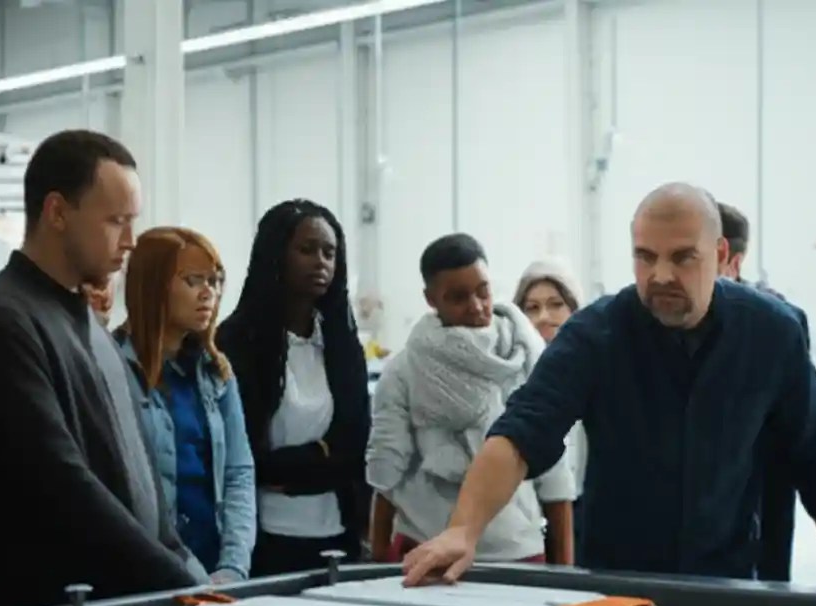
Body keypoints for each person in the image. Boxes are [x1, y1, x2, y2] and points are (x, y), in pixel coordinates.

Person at [401, 182, 816, 591]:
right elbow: (521, 433)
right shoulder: (595, 335)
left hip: (732, 577)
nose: (661, 275)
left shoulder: (771, 334)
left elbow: (812, 449)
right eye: (645, 257)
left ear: (719, 255)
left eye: (682, 257)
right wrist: (464, 530)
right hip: (619, 581)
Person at [0, 130, 208, 606]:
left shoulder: (87, 324)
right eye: (116, 221)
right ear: (58, 212)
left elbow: (141, 474)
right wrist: (178, 583)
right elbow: (61, 486)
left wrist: (184, 565)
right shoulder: (1, 322)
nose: (130, 242)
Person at [368, 235, 575, 566]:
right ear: (431, 299)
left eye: (483, 291)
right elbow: (386, 474)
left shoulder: (526, 359)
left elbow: (554, 474)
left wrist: (566, 572)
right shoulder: (404, 371)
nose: (477, 306)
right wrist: (377, 562)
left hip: (516, 551)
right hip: (424, 551)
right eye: (458, 297)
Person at [216, 199, 370, 576]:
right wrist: (320, 458)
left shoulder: (342, 342)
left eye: (329, 252)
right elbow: (244, 456)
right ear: (276, 255)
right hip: (264, 538)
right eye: (306, 250)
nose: (321, 262)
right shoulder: (237, 341)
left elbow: (356, 443)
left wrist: (290, 468)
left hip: (338, 532)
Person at [115, 227, 257, 583]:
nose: (209, 292)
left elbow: (239, 472)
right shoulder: (113, 367)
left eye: (215, 280)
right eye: (194, 280)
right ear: (153, 285)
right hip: (146, 574)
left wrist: (234, 565)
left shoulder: (215, 372)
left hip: (215, 568)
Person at [717, 201, 816, 582]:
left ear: (731, 258)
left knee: (771, 564)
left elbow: (804, 408)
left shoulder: (780, 318)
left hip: (769, 463)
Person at [512, 257, 588, 553]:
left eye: (556, 304)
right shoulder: (511, 376)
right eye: (532, 307)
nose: (544, 316)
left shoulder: (597, 369)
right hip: (531, 523)